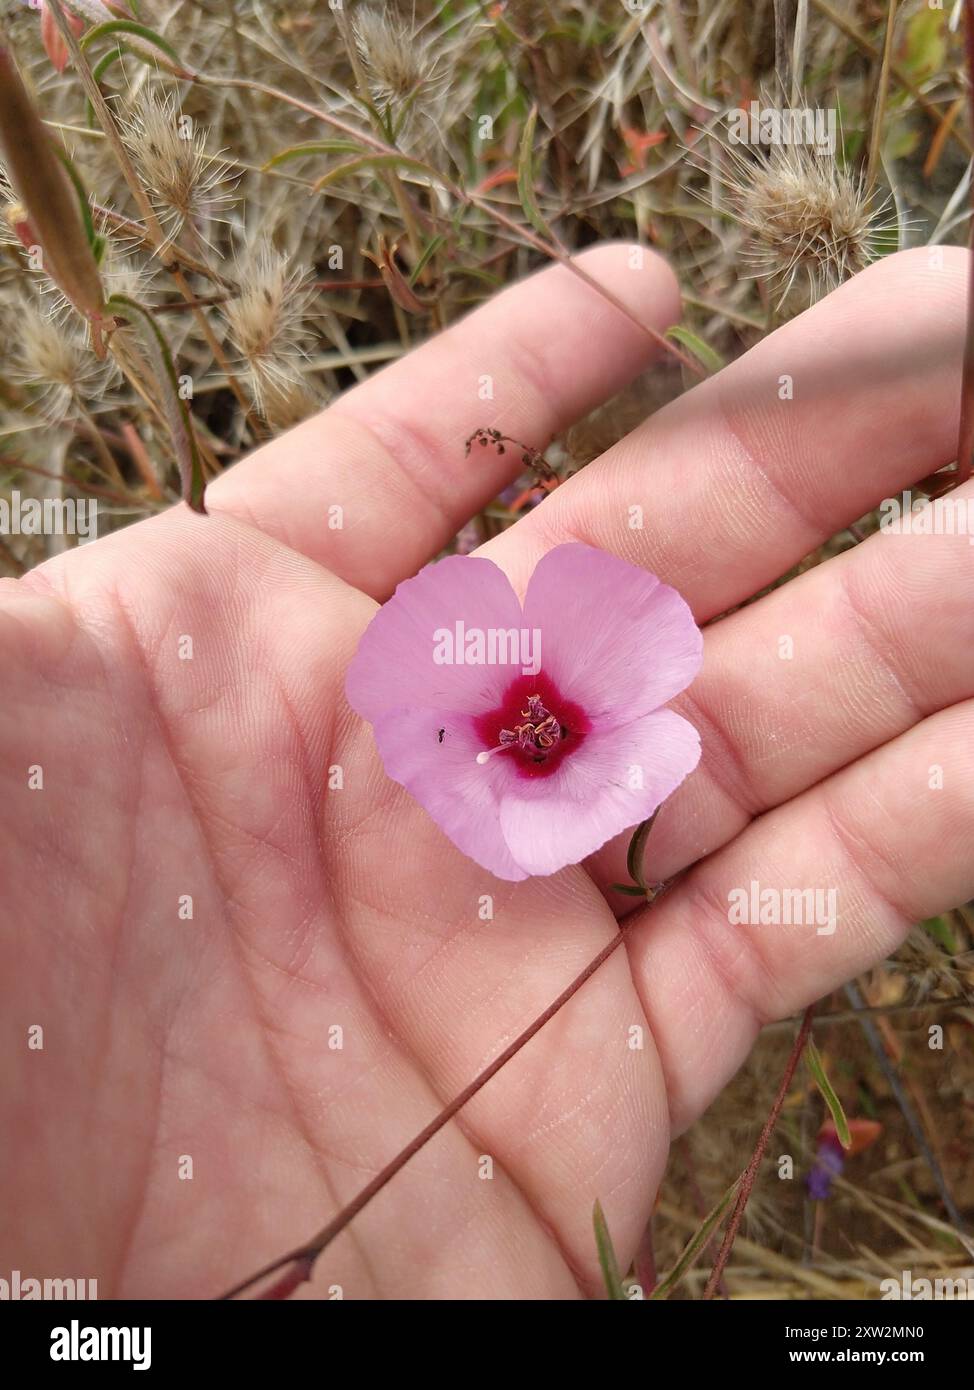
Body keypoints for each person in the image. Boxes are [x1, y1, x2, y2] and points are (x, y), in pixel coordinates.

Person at [1, 243, 969, 1299]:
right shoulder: (464, 718)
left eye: (548, 725)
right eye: (535, 728)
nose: (542, 727)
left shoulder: (592, 721)